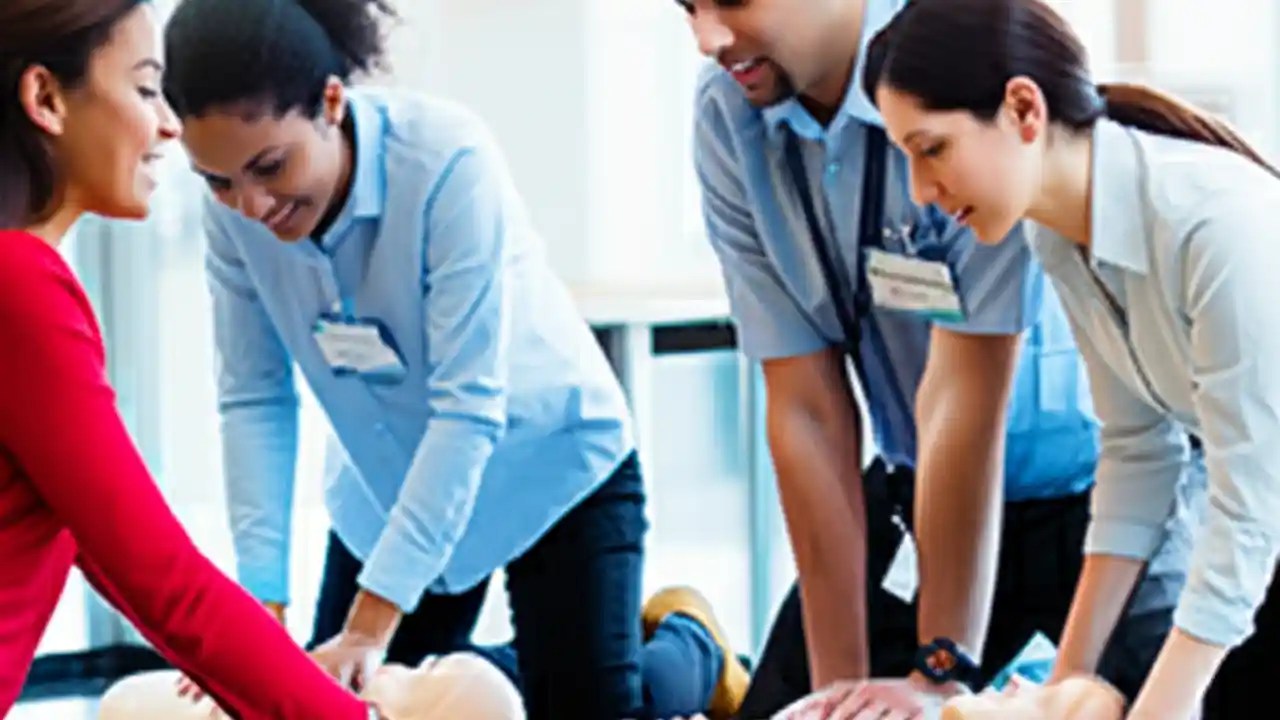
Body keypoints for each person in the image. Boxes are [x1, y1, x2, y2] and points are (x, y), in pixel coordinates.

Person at [159, 1, 747, 718]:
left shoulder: (443, 160)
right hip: (390, 490)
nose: (249, 205)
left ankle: (690, 646)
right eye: (217, 181)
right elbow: (254, 396)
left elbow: (468, 410)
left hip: (548, 464)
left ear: (332, 103)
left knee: (588, 707)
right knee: (341, 701)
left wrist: (370, 626)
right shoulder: (237, 213)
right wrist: (259, 599)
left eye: (269, 167)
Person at [672, 0, 1203, 717]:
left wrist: (939, 670)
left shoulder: (962, 59)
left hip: (1103, 497)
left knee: (1161, 699)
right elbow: (804, 405)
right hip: (916, 494)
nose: (707, 39)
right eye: (685, 8)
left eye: (730, 0)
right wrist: (841, 693)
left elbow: (963, 398)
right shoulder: (730, 116)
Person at [863, 0, 1280, 717]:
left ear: (1024, 108)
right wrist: (1064, 683)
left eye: (931, 149)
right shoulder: (1058, 238)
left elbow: (1248, 510)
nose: (920, 191)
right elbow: (1137, 453)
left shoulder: (1216, 224)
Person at [0, 1, 380, 718]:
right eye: (147, 90)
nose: (169, 126)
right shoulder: (21, 287)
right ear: (46, 98)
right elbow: (162, 583)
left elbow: (128, 566)